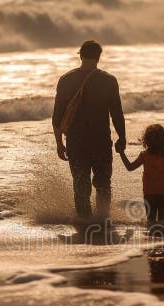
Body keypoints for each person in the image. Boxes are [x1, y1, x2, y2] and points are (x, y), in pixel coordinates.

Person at [52, 40, 126, 223]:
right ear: (98, 58)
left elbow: (57, 117)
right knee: (103, 184)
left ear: (81, 55)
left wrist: (59, 143)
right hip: (101, 140)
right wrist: (122, 137)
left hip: (76, 142)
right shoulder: (109, 81)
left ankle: (85, 223)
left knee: (80, 185)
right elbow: (116, 113)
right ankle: (102, 221)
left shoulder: (66, 80)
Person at [118, 124, 164, 227]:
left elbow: (130, 167)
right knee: (162, 223)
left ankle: (152, 240)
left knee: (151, 223)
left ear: (147, 140)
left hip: (150, 196)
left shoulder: (144, 156)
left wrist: (121, 153)